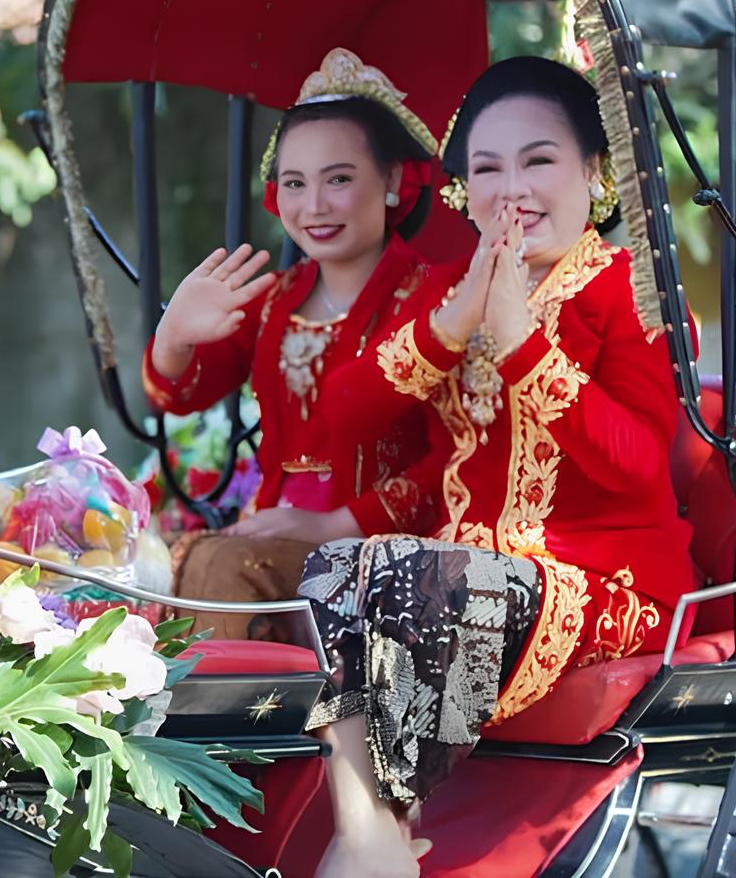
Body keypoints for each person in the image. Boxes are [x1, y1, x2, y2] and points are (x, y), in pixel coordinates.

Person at [290, 56, 695, 878]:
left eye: (538, 160)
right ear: (459, 190)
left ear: (594, 173)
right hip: (458, 581)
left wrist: (519, 346)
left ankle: (368, 837)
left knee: (424, 580)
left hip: (602, 587)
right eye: (486, 167)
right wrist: (457, 319)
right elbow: (345, 415)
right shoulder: (446, 287)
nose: (511, 189)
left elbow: (639, 466)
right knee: (335, 570)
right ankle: (374, 834)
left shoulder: (630, 291)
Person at [143, 47, 441, 522]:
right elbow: (180, 396)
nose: (313, 206)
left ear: (392, 177)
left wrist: (334, 527)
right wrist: (173, 339)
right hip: (266, 535)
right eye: (295, 184)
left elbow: (454, 462)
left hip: (387, 557)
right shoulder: (270, 299)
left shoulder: (438, 300)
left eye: (338, 179)